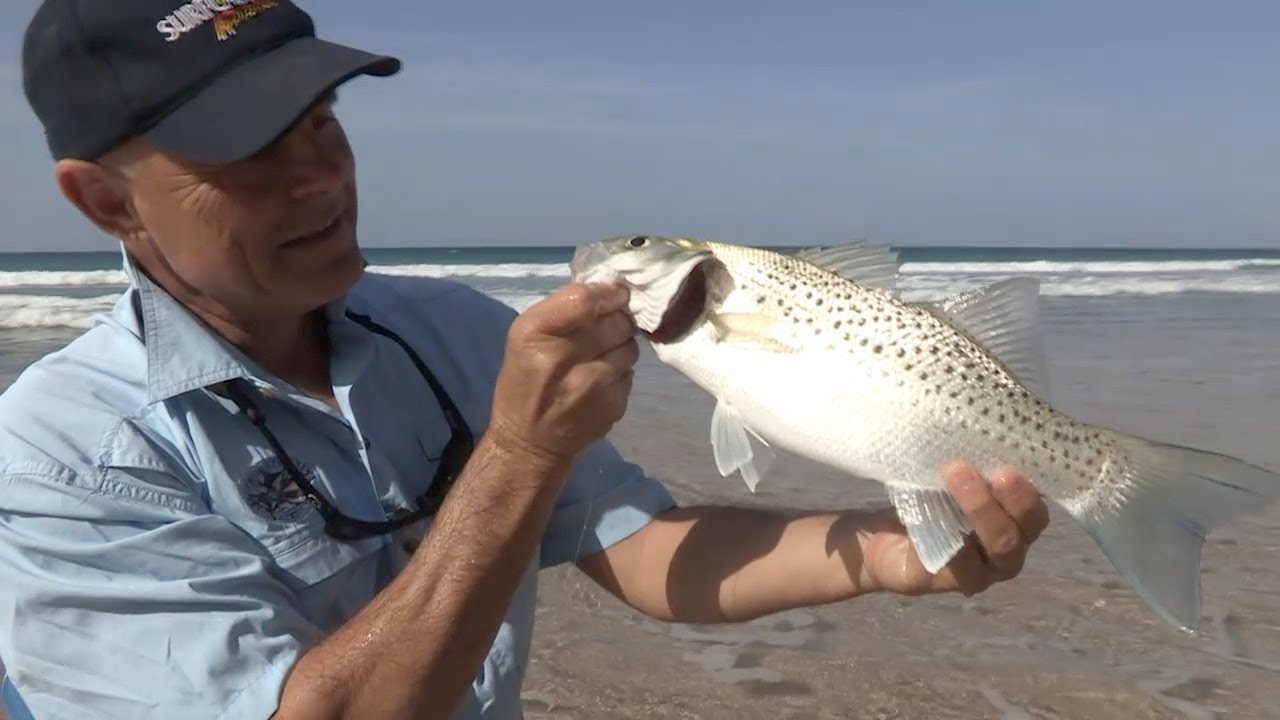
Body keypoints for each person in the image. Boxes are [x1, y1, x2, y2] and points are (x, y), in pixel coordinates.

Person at [0, 1, 1050, 718]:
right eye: (247, 149)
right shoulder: (59, 453)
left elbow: (638, 550)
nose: (318, 176)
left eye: (321, 121)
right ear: (104, 199)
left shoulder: (450, 333)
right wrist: (513, 454)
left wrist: (881, 554)